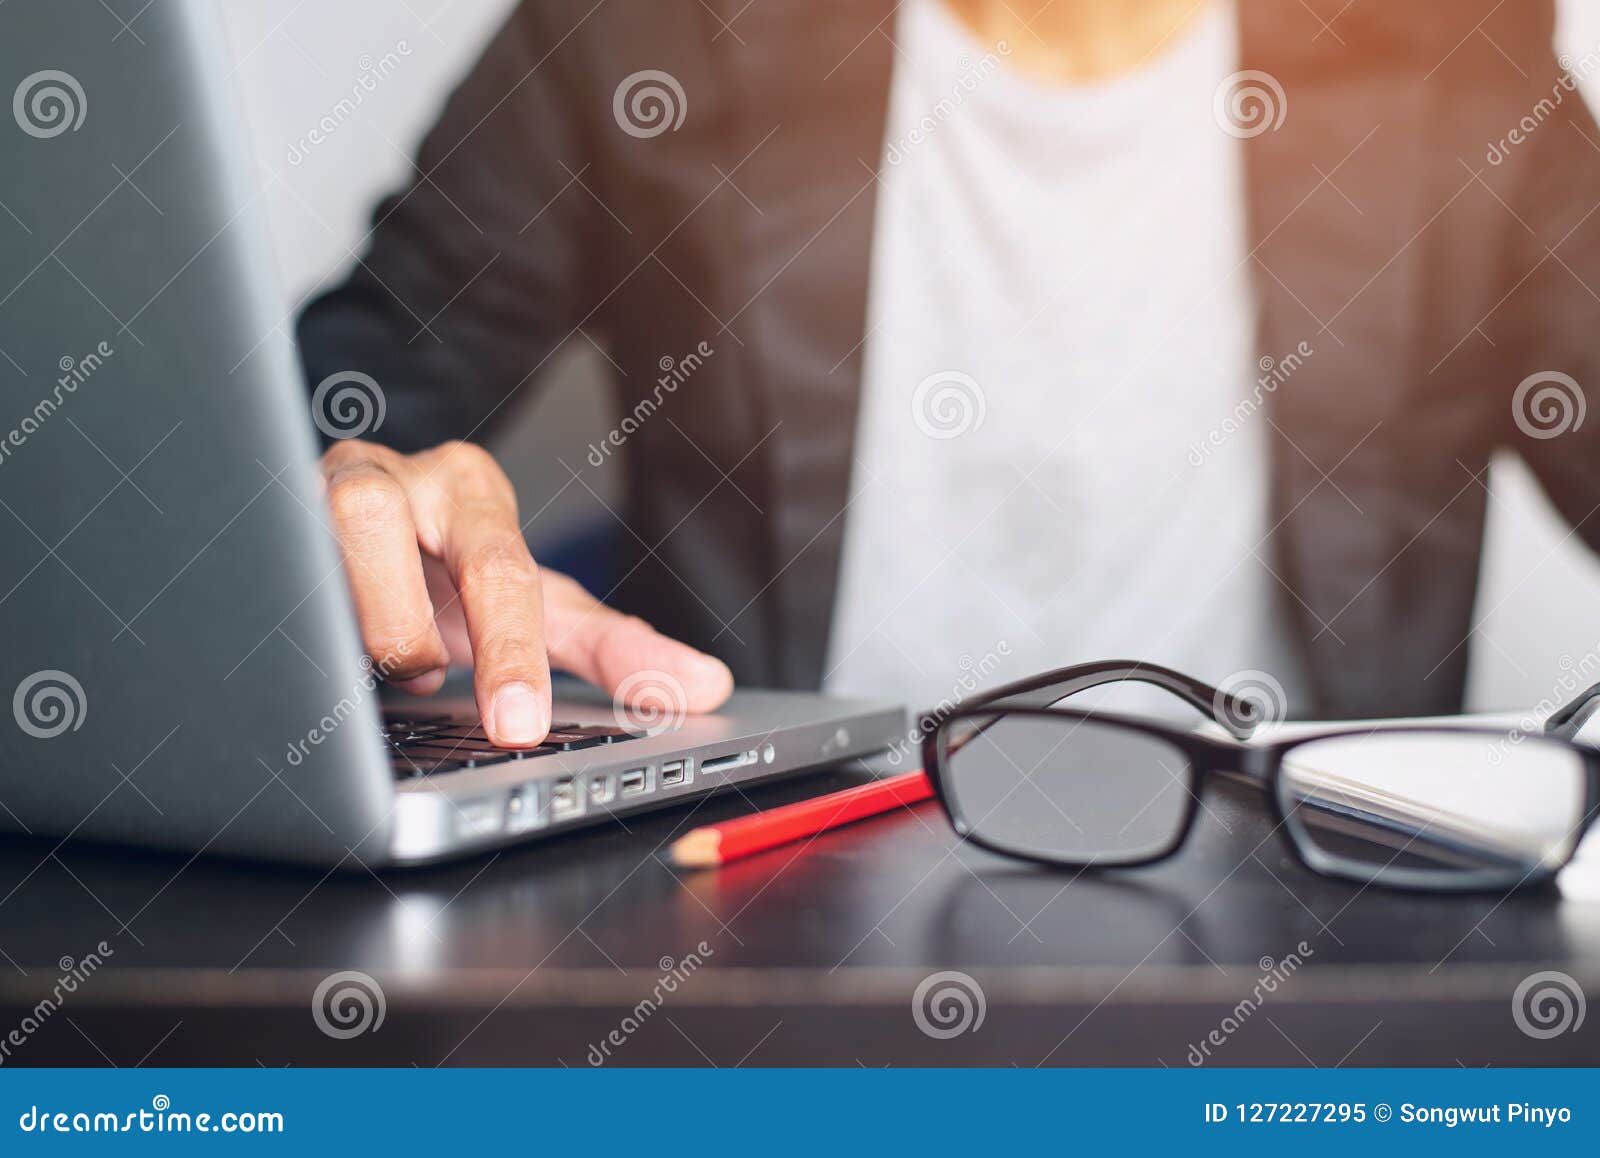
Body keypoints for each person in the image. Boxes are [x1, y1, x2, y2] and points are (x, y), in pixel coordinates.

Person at [297, 0, 1600, 746]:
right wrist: (337, 487)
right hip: (756, 932)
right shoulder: (642, 27)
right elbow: (348, 395)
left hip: (1310, 955)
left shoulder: (1463, 69)